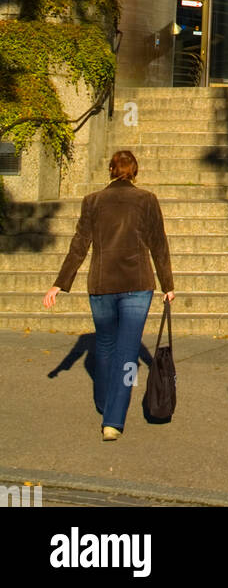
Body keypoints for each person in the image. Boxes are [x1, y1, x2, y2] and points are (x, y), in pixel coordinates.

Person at [42, 149, 175, 441]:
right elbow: (159, 244)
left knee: (103, 346)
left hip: (101, 284)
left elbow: (80, 244)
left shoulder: (93, 201)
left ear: (112, 171)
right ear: (134, 172)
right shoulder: (147, 200)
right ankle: (113, 420)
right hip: (138, 283)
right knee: (128, 354)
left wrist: (59, 284)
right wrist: (168, 285)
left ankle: (104, 402)